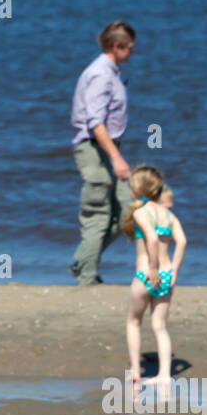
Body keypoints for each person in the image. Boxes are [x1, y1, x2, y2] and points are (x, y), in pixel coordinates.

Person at [69, 21, 135, 286]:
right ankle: (87, 277)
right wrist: (116, 158)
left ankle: (82, 261)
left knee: (127, 213)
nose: (132, 53)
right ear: (116, 47)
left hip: (108, 149)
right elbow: (95, 122)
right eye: (130, 48)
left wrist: (116, 154)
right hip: (94, 148)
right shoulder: (100, 74)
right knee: (98, 211)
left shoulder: (113, 72)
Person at [121, 166, 186, 389]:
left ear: (137, 189)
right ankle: (165, 374)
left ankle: (136, 372)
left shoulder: (141, 212)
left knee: (134, 321)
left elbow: (150, 238)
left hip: (146, 275)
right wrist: (174, 270)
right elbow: (182, 241)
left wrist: (152, 267)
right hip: (168, 276)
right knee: (159, 325)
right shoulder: (169, 215)